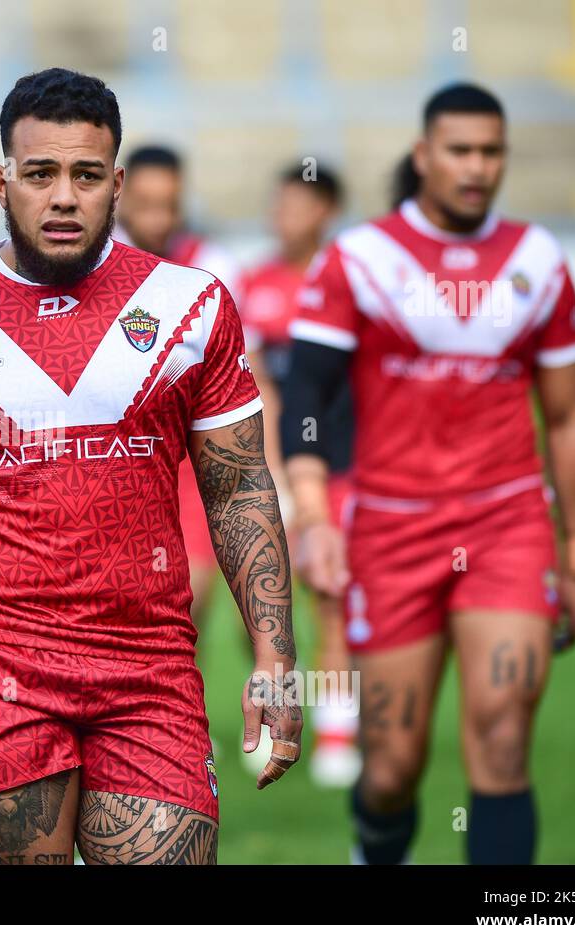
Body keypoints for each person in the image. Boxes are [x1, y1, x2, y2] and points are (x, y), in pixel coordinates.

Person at [0, 68, 301, 865]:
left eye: (85, 175)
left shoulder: (192, 306)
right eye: (41, 174)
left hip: (149, 665)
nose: (64, 196)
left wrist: (276, 661)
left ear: (118, 183)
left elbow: (239, 484)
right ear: (2, 181)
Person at [282, 84, 575, 864]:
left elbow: (567, 417)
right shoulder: (361, 260)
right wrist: (316, 515)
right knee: (391, 768)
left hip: (507, 524)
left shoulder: (538, 262)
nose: (477, 167)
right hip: (390, 528)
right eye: (460, 150)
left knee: (501, 737)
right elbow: (307, 398)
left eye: (492, 151)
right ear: (424, 156)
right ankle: (375, 847)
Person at [238, 163, 359, 787]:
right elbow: (257, 381)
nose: (283, 212)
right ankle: (274, 719)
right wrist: (276, 471)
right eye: (278, 200)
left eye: (297, 202)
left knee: (331, 595)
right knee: (257, 604)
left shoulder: (349, 277)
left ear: (325, 211)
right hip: (270, 466)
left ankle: (339, 734)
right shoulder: (252, 283)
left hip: (341, 465)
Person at [115, 145, 250, 630]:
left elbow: (246, 376)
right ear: (120, 196)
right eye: (145, 203)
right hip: (114, 456)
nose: (158, 218)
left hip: (190, 457)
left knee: (186, 604)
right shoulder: (91, 263)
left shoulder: (213, 268)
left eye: (168, 204)